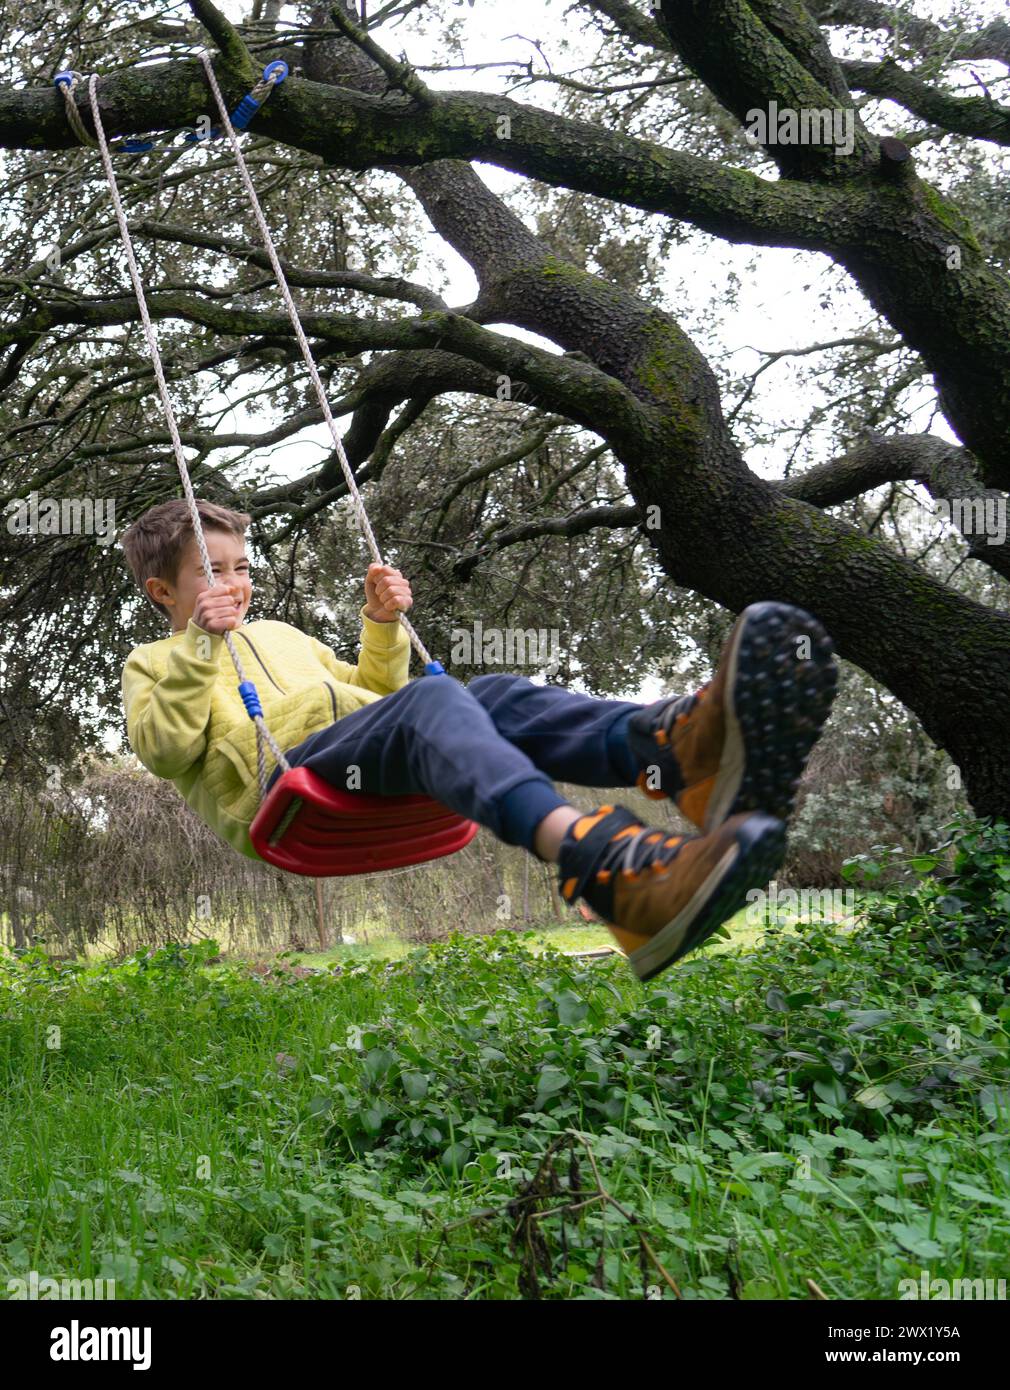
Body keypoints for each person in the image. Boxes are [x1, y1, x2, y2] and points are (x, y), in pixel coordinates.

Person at [121, 499, 836, 982]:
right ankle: (605, 868)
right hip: (285, 791)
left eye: (242, 567)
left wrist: (379, 625)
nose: (236, 584)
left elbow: (382, 695)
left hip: (356, 753)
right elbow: (164, 748)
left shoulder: (282, 635)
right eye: (213, 571)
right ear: (163, 592)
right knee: (441, 698)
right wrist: (198, 651)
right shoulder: (154, 664)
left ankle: (676, 752)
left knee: (487, 692)